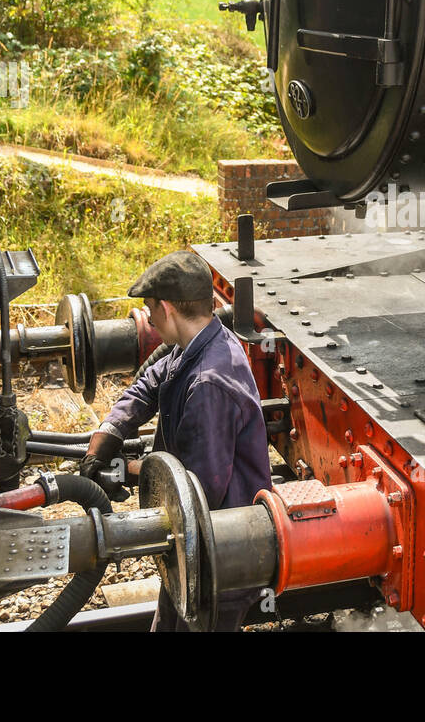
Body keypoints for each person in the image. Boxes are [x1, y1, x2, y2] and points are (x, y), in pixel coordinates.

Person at [81, 250, 272, 631]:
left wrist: (127, 472)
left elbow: (197, 491)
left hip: (221, 555)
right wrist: (109, 433)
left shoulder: (208, 383)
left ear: (166, 309)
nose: (148, 319)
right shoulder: (198, 343)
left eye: (150, 309)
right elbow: (149, 383)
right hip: (196, 546)